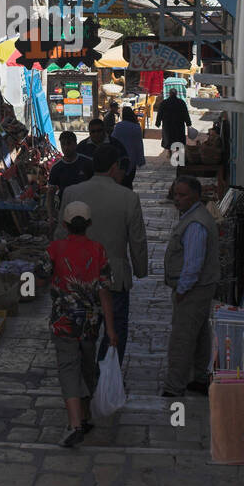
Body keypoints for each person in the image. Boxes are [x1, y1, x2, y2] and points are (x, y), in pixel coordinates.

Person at [59, 142, 148, 366]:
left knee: (80, 329)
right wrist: (140, 270)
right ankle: (107, 375)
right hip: (114, 277)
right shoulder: (128, 198)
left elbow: (60, 235)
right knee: (114, 331)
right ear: (114, 167)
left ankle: (83, 372)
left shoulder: (72, 193)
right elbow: (137, 240)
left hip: (78, 276)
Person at [47, 201, 118, 448]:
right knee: (87, 366)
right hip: (90, 323)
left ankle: (75, 424)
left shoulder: (55, 248)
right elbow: (105, 292)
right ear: (89, 224)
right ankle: (85, 416)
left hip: (63, 322)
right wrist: (110, 329)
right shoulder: (98, 250)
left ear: (65, 225)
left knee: (68, 368)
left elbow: (40, 274)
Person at [162, 176, 220, 397]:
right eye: (175, 194)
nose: (177, 199)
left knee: (182, 337)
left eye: (182, 195)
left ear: (196, 195)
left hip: (194, 289)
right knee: (199, 333)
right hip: (201, 287)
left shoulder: (196, 223)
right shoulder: (194, 216)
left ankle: (174, 386)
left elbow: (193, 263)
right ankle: (201, 377)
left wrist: (182, 289)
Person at [46, 130, 93, 226]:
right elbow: (50, 193)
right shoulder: (56, 168)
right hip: (65, 211)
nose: (66, 148)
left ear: (75, 144)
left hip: (86, 209)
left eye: (69, 144)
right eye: (63, 144)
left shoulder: (87, 163)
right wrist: (51, 216)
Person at [111, 106, 145, 189]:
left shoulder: (119, 126)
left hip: (120, 158)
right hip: (132, 157)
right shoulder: (137, 127)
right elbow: (139, 145)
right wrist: (140, 159)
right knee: (129, 181)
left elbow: (113, 141)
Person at [156, 89, 191, 165]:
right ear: (176, 94)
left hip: (168, 125)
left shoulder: (164, 103)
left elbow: (160, 113)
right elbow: (185, 113)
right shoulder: (181, 102)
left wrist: (158, 122)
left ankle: (169, 151)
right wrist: (188, 123)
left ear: (169, 94)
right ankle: (179, 155)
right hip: (179, 124)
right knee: (178, 138)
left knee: (169, 138)